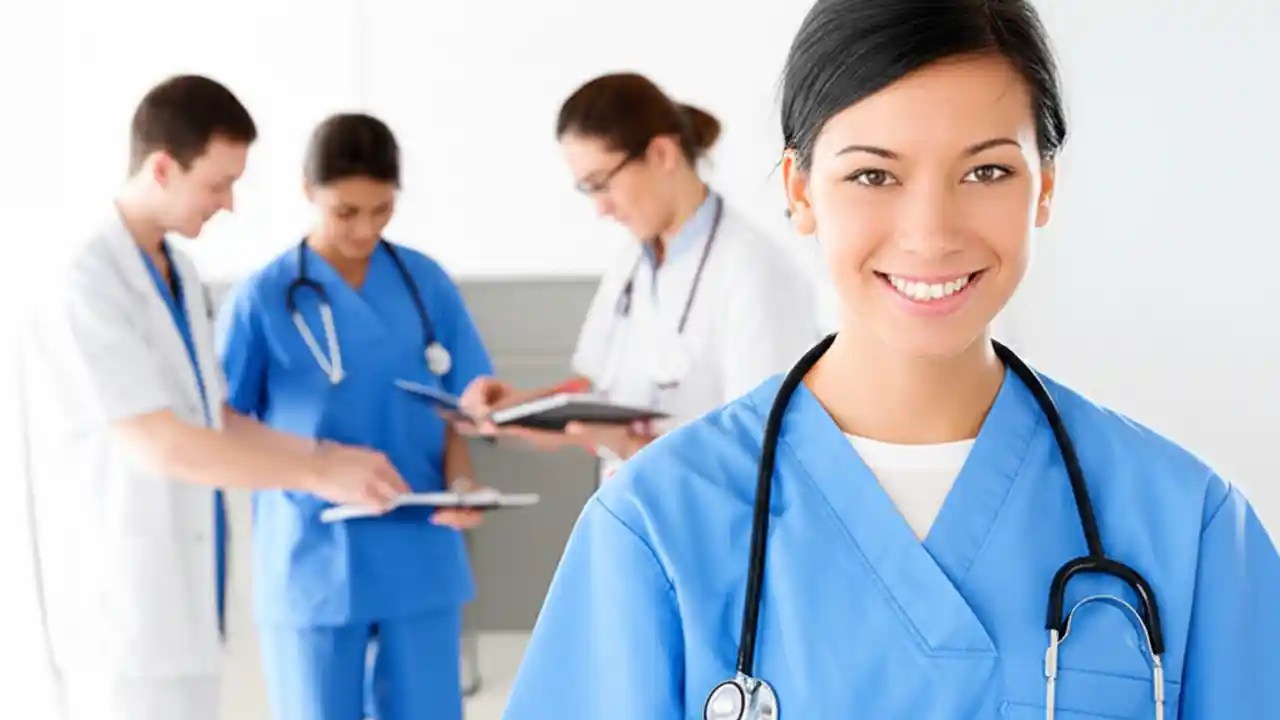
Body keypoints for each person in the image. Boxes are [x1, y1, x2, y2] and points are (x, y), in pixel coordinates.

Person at [502, 1, 1280, 718]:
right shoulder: (655, 528)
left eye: (986, 171)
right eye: (873, 174)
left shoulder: (1191, 528)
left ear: (1044, 186)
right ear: (800, 191)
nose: (930, 232)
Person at [18, 76, 408, 720]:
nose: (228, 204)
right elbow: (161, 443)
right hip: (119, 608)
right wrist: (316, 472)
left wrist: (330, 457)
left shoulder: (180, 273)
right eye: (218, 184)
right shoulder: (85, 280)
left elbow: (214, 420)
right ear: (162, 168)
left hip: (186, 603)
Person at [216, 112, 494, 720]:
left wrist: (462, 483)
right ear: (307, 191)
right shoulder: (263, 298)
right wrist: (310, 468)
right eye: (346, 212)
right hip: (312, 552)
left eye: (381, 210)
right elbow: (225, 428)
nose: (365, 228)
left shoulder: (424, 283)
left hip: (419, 548)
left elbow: (460, 407)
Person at [463, 73, 820, 466]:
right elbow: (596, 389)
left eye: (601, 183)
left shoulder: (756, 271)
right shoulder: (631, 263)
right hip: (629, 498)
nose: (601, 208)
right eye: (588, 189)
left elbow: (763, 446)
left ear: (662, 154)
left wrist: (628, 446)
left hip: (702, 505)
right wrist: (520, 408)